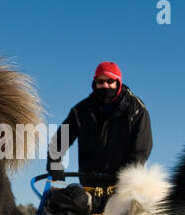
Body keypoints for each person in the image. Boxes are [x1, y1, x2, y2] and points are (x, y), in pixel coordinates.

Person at [47, 62, 152, 202]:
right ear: (95, 83)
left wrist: (126, 180)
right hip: (90, 187)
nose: (106, 86)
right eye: (101, 81)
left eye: (110, 81)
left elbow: (141, 150)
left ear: (118, 82)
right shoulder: (81, 111)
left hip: (123, 188)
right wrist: (56, 172)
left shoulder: (136, 110)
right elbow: (58, 142)